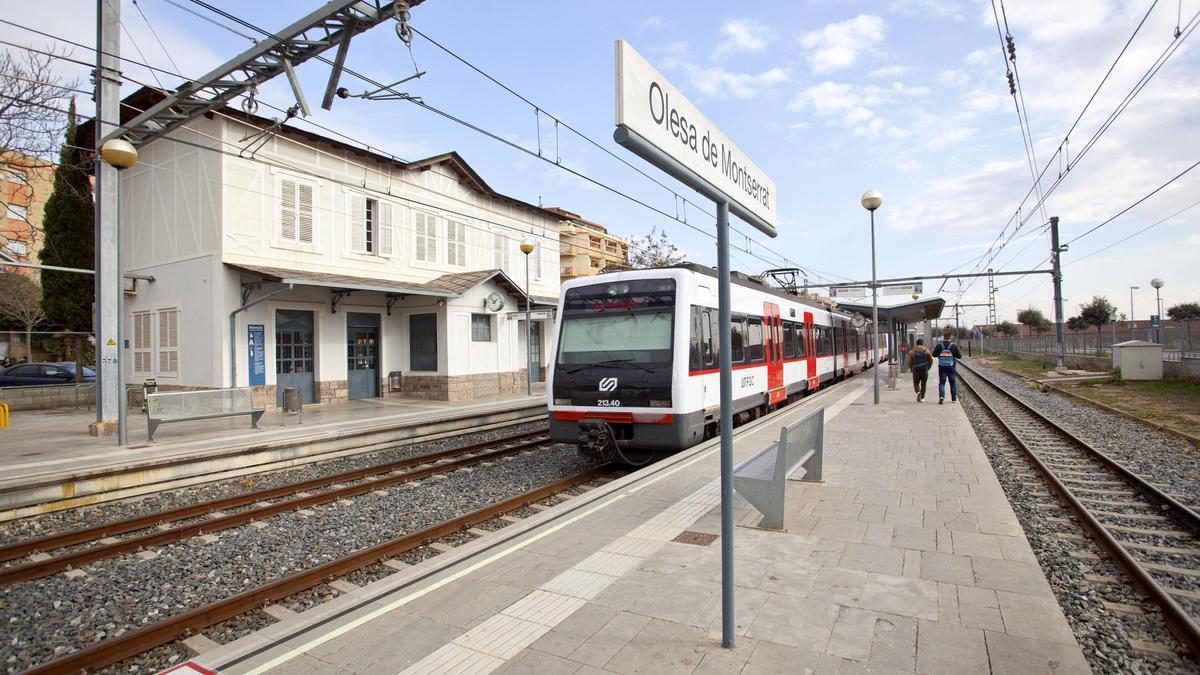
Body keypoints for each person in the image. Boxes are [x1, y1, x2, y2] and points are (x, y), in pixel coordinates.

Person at [931, 328, 962, 404]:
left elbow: (933, 355)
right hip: (951, 367)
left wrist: (940, 353)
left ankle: (941, 396)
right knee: (952, 382)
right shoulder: (953, 346)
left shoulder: (939, 345)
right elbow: (959, 356)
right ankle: (954, 399)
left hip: (942, 367)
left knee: (942, 382)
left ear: (943, 337)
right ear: (950, 337)